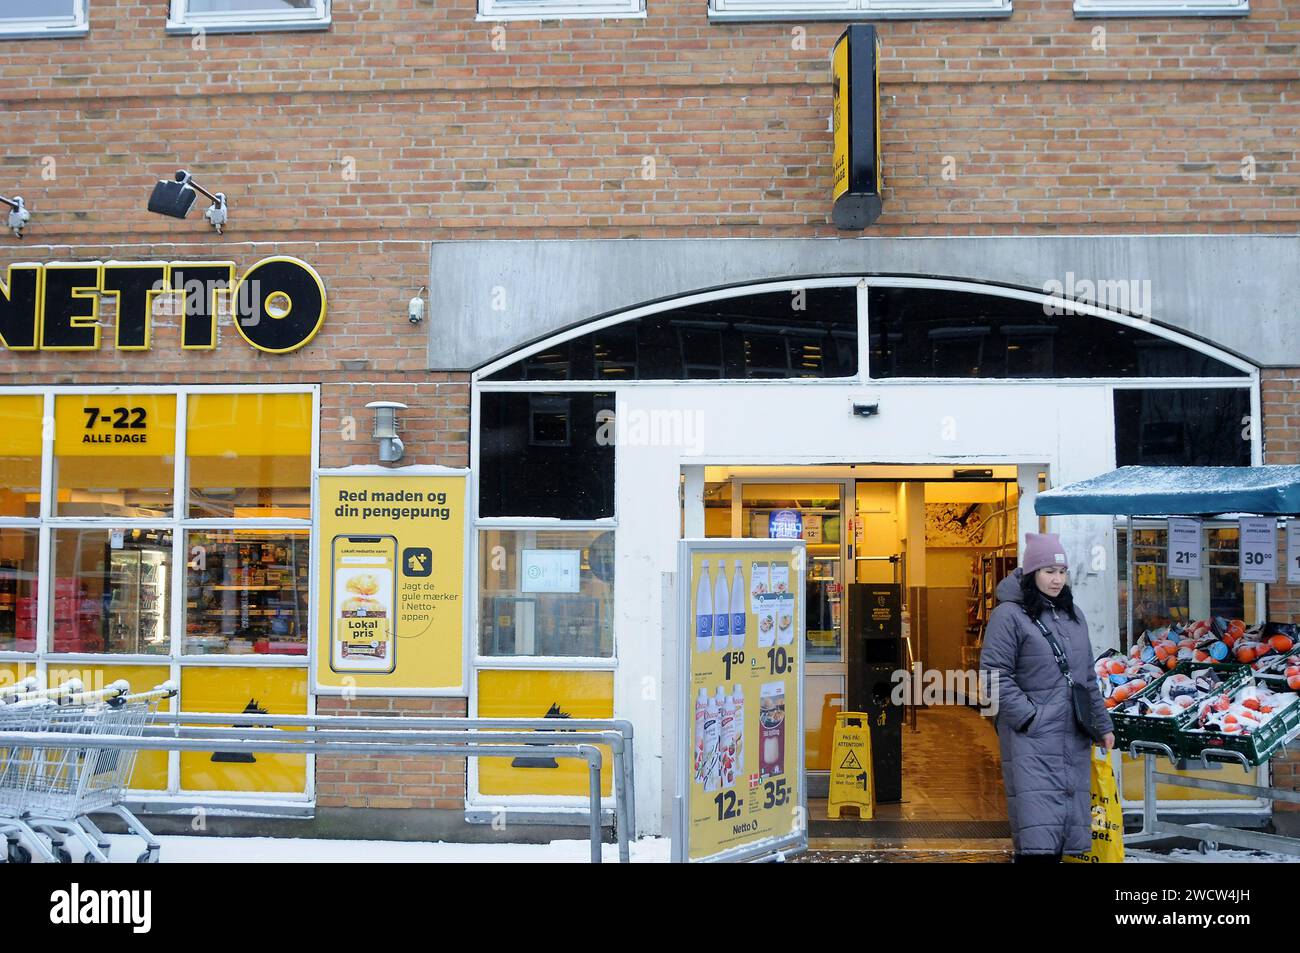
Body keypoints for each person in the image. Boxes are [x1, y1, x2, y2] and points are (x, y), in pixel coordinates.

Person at [980, 532, 1115, 863]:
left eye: (1062, 572)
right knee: (1037, 840)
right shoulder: (1009, 616)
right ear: (1031, 573)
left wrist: (1102, 725)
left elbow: (1086, 678)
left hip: (1072, 737)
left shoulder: (1074, 615)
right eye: (1048, 571)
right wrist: (1030, 717)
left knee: (1062, 838)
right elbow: (994, 675)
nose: (1057, 579)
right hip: (1032, 741)